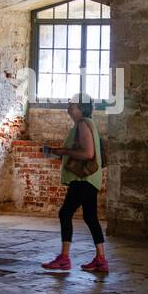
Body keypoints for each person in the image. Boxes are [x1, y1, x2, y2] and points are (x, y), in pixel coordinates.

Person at [41, 93, 107, 273]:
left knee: (65, 213)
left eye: (73, 103)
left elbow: (88, 154)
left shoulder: (82, 124)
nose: (69, 106)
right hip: (89, 179)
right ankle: (101, 259)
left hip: (82, 179)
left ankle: (64, 258)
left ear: (80, 108)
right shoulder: (87, 123)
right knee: (90, 217)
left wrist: (62, 151)